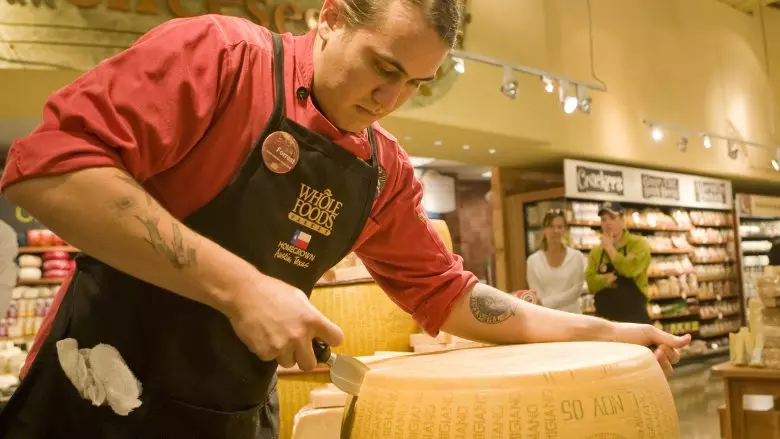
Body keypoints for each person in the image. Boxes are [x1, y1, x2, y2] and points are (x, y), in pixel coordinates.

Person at [0, 1, 689, 437]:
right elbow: (50, 167)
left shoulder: (383, 171)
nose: (391, 98)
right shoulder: (222, 59)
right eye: (382, 67)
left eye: (415, 85)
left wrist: (605, 329)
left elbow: (450, 294)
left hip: (228, 417)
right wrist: (245, 288)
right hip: (88, 394)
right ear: (328, 17)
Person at [585, 202, 653, 324]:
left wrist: (610, 249)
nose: (607, 223)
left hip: (635, 321)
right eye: (603, 219)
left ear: (622, 220)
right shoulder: (596, 252)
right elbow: (590, 284)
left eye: (612, 218)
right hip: (605, 322)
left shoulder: (638, 244)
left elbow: (630, 270)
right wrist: (606, 279)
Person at [526, 209, 584, 314]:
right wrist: (544, 304)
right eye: (551, 226)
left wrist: (546, 302)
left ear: (565, 230)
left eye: (559, 227)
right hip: (547, 318)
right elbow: (536, 292)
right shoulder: (533, 261)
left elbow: (576, 291)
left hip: (573, 318)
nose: (555, 230)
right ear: (544, 230)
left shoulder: (576, 257)